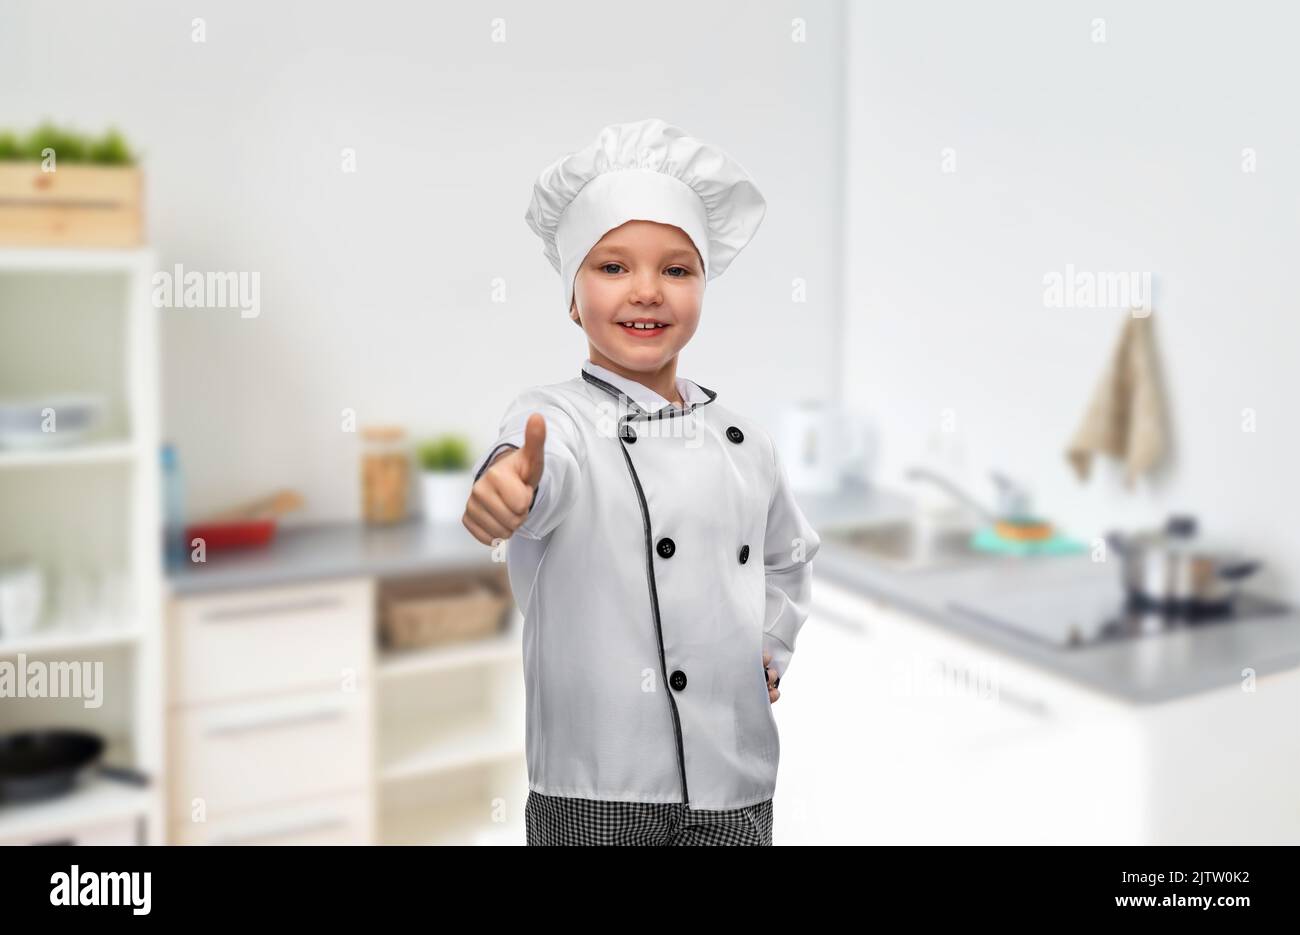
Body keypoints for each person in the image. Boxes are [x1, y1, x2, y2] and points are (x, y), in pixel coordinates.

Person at [463, 118, 821, 845]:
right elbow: (535, 470)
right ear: (571, 295)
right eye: (613, 266)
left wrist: (768, 647)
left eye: (677, 269)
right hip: (596, 784)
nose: (647, 291)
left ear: (702, 288)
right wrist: (508, 488)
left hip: (734, 779)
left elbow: (788, 556)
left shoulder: (743, 439)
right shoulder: (553, 416)